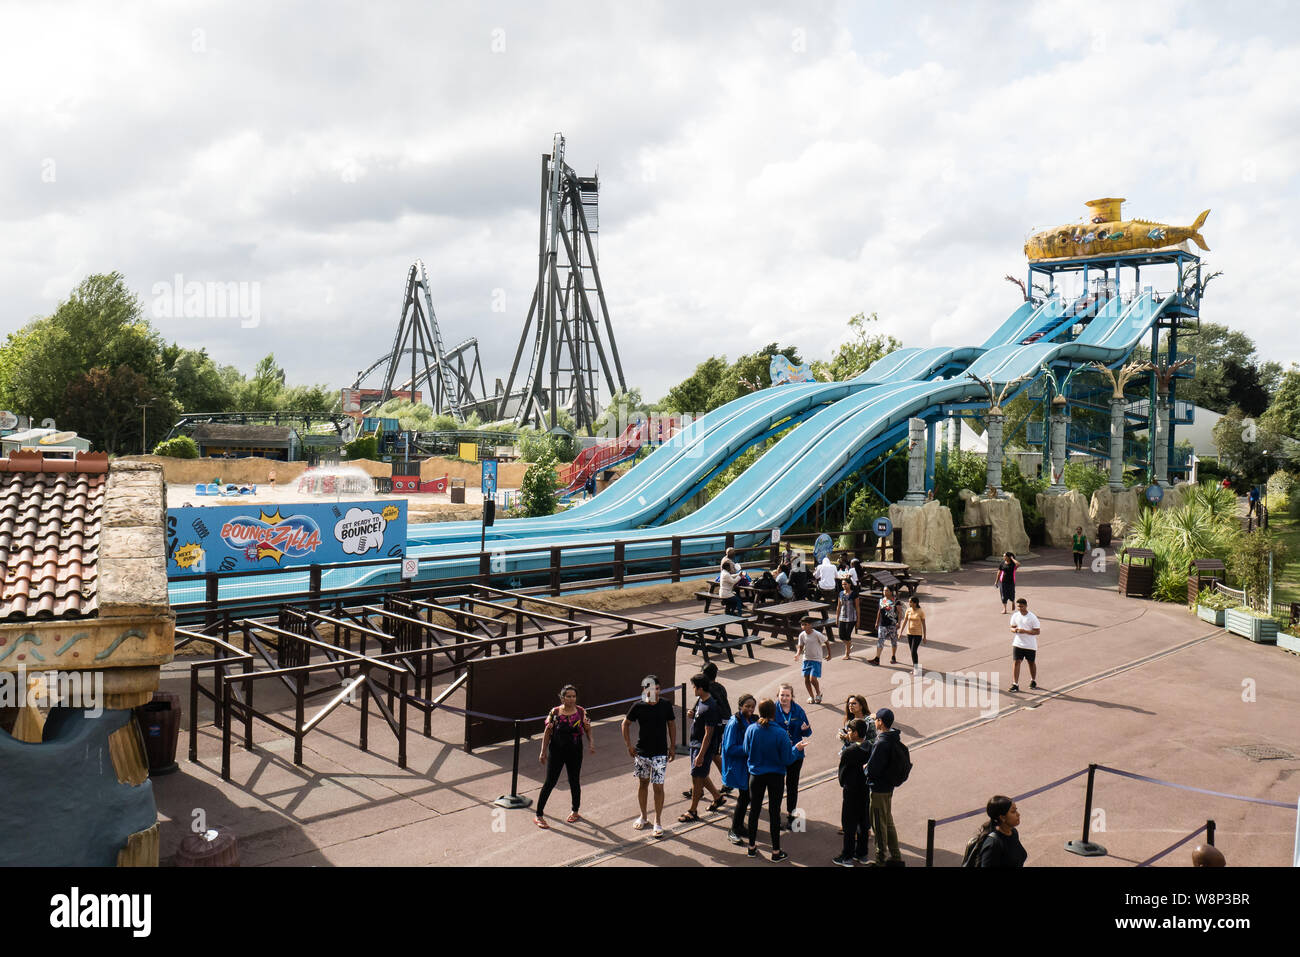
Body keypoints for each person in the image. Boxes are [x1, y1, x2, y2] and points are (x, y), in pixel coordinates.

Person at [743, 697, 808, 862]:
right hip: (775, 776)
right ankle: (776, 851)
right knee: (774, 813)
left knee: (754, 811)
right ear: (774, 713)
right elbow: (787, 759)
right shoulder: (780, 733)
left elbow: (746, 749)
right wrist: (796, 749)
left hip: (756, 775)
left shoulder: (751, 729)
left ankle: (751, 847)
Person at [621, 675, 676, 838]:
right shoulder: (638, 706)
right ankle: (644, 816)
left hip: (660, 753)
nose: (655, 692)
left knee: (658, 787)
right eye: (651, 689)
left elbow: (671, 724)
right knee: (643, 784)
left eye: (657, 688)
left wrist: (673, 746)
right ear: (644, 690)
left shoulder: (665, 704)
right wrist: (629, 745)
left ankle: (658, 821)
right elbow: (625, 724)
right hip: (642, 753)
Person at [535, 684, 595, 828]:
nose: (571, 699)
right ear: (562, 698)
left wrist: (591, 743)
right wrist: (543, 751)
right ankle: (538, 815)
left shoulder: (581, 711)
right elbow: (547, 732)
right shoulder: (555, 712)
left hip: (575, 751)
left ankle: (575, 811)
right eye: (568, 696)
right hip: (557, 751)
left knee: (574, 780)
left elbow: (587, 728)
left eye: (573, 696)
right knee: (550, 782)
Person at [680, 675, 726, 822]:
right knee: (700, 774)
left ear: (700, 688)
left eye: (694, 687)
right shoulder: (701, 700)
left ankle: (693, 811)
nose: (693, 689)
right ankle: (717, 797)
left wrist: (701, 754)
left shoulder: (710, 707)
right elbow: (699, 717)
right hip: (696, 744)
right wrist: (693, 714)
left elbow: (708, 734)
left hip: (702, 747)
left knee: (697, 777)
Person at [864, 708, 905, 867]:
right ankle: (896, 857)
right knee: (888, 822)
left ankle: (880, 860)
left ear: (880, 722)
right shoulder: (894, 737)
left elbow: (873, 769)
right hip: (888, 787)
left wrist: (866, 768)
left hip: (878, 789)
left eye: (876, 719)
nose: (874, 722)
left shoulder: (881, 742)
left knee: (878, 826)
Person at [833, 718, 872, 866]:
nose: (848, 733)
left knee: (849, 824)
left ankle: (847, 856)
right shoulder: (871, 748)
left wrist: (844, 784)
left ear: (855, 733)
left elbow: (842, 773)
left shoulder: (849, 752)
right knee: (863, 822)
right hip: (865, 790)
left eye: (849, 730)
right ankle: (862, 854)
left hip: (851, 792)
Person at [773, 683, 812, 830]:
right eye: (782, 695)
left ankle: (791, 815)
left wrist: (805, 730)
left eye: (787, 695)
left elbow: (807, 732)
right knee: (776, 786)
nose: (784, 698)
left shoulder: (798, 710)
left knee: (792, 785)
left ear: (792, 696)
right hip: (778, 754)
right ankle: (776, 816)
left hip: (796, 753)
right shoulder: (773, 710)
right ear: (778, 695)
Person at [722, 694, 757, 845]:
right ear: (740, 706)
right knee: (744, 797)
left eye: (752, 707)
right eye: (747, 706)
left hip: (747, 765)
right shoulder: (734, 723)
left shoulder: (752, 720)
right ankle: (734, 829)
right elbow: (729, 748)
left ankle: (739, 826)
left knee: (746, 796)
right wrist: (748, 749)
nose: (750, 709)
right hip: (738, 766)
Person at [701, 662, 732, 792]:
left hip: (716, 724)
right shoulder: (721, 687)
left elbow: (705, 707)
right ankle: (727, 781)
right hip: (725, 722)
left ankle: (698, 786)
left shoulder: (706, 690)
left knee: (707, 754)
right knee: (713, 754)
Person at [972, 795, 1028, 867]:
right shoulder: (993, 844)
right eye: (1013, 812)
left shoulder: (1013, 832)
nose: (1018, 814)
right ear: (1002, 817)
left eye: (1016, 810)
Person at [1008, 597, 1041, 693]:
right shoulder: (1015, 616)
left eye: (1021, 606)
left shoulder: (1032, 617)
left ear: (1026, 606)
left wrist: (1025, 631)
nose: (1020, 608)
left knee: (1031, 663)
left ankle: (1033, 680)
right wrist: (1015, 630)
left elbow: (1037, 631)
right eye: (1018, 607)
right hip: (1018, 643)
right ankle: (1015, 684)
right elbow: (1012, 627)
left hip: (1030, 645)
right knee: (1016, 662)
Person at [795, 617, 829, 704]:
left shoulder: (817, 634)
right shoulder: (802, 635)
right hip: (806, 659)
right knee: (806, 679)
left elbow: (826, 641)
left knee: (812, 679)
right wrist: (798, 654)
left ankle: (818, 693)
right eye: (802, 625)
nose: (803, 626)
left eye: (805, 624)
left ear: (810, 625)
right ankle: (811, 696)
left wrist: (829, 654)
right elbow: (800, 646)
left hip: (816, 659)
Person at [868, 585, 899, 666]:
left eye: (887, 590)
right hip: (882, 624)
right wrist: (877, 622)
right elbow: (879, 611)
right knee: (880, 641)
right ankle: (877, 659)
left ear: (891, 592)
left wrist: (898, 622)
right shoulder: (882, 600)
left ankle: (893, 656)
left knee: (894, 641)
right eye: (884, 590)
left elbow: (899, 613)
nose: (885, 592)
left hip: (892, 624)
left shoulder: (895, 601)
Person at [900, 596, 926, 677]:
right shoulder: (908, 610)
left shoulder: (920, 612)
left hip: (918, 634)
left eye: (910, 602)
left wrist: (925, 636)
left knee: (913, 651)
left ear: (915, 603)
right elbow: (905, 621)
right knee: (912, 651)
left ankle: (916, 669)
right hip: (909, 634)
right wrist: (900, 632)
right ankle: (915, 668)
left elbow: (924, 625)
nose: (909, 603)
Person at [834, 576, 859, 660]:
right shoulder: (841, 593)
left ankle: (847, 653)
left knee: (847, 636)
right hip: (842, 617)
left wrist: (858, 620)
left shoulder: (854, 594)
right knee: (841, 636)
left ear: (849, 584)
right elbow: (838, 607)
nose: (844, 586)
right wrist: (837, 618)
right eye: (842, 584)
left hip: (851, 618)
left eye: (845, 584)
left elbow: (857, 607)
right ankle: (849, 644)